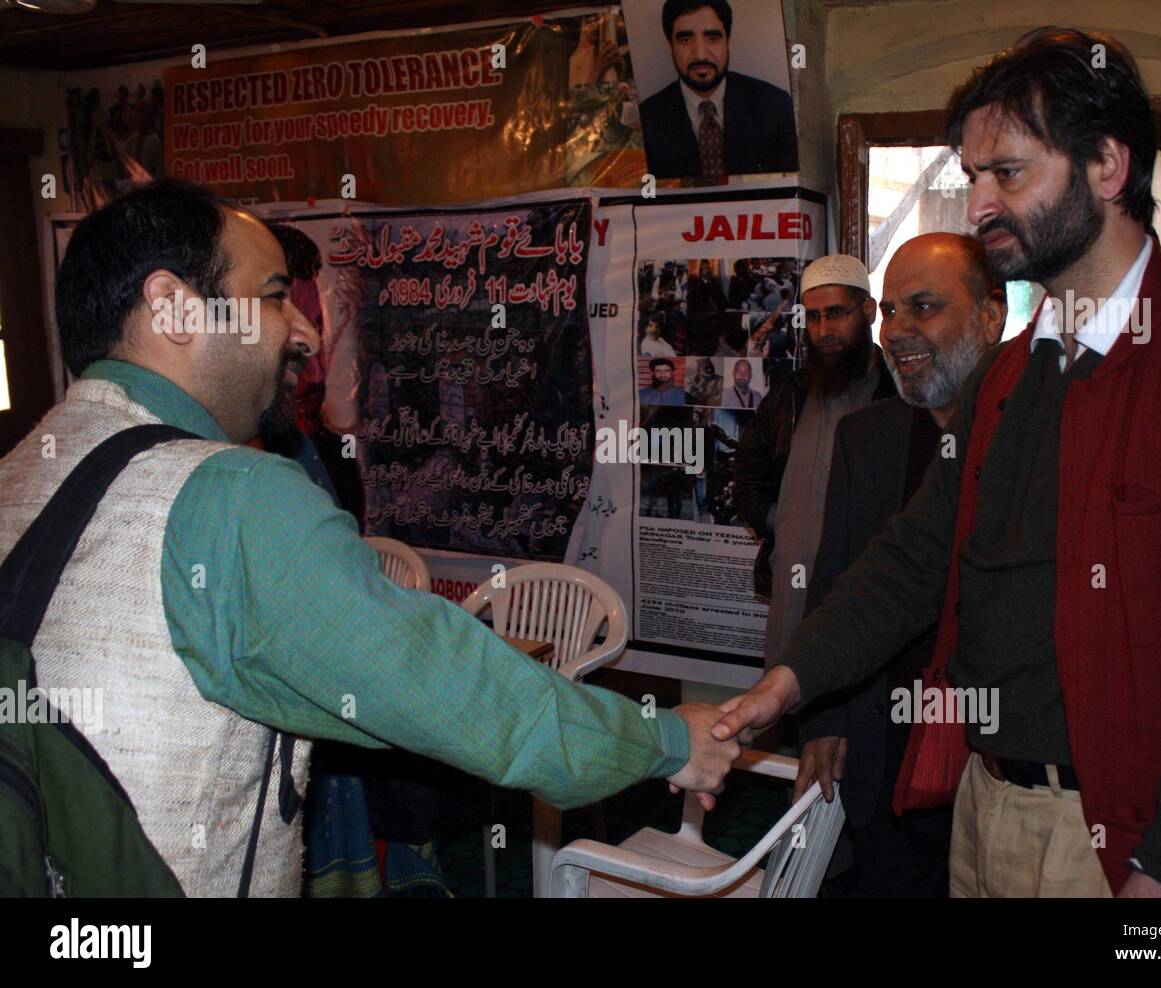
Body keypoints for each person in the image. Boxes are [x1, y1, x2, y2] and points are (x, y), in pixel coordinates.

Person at [0, 179, 739, 896]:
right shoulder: (228, 496)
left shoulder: (22, 468)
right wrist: (669, 741)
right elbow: (458, 693)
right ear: (172, 307)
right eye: (272, 296)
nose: (306, 331)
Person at [713, 28, 1161, 899]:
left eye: (1008, 174)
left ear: (1106, 166)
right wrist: (787, 684)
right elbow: (917, 555)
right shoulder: (1018, 371)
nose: (979, 205)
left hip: (1121, 841)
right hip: (985, 807)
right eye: (971, 175)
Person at [795, 234, 1006, 897]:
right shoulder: (867, 438)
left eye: (924, 306)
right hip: (886, 743)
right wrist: (823, 718)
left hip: (996, 751)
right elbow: (833, 582)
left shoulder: (1032, 432)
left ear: (991, 317)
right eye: (889, 310)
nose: (898, 331)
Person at [732, 253, 895, 664]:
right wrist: (783, 521)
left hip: (868, 591)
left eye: (837, 314)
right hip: (791, 588)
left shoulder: (898, 394)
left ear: (869, 311)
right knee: (786, 702)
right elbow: (747, 473)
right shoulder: (789, 394)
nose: (825, 331)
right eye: (815, 317)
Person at [639, 0, 798, 180]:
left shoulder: (774, 107)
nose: (700, 54)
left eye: (712, 38)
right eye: (685, 40)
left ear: (727, 41)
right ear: (670, 45)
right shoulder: (646, 120)